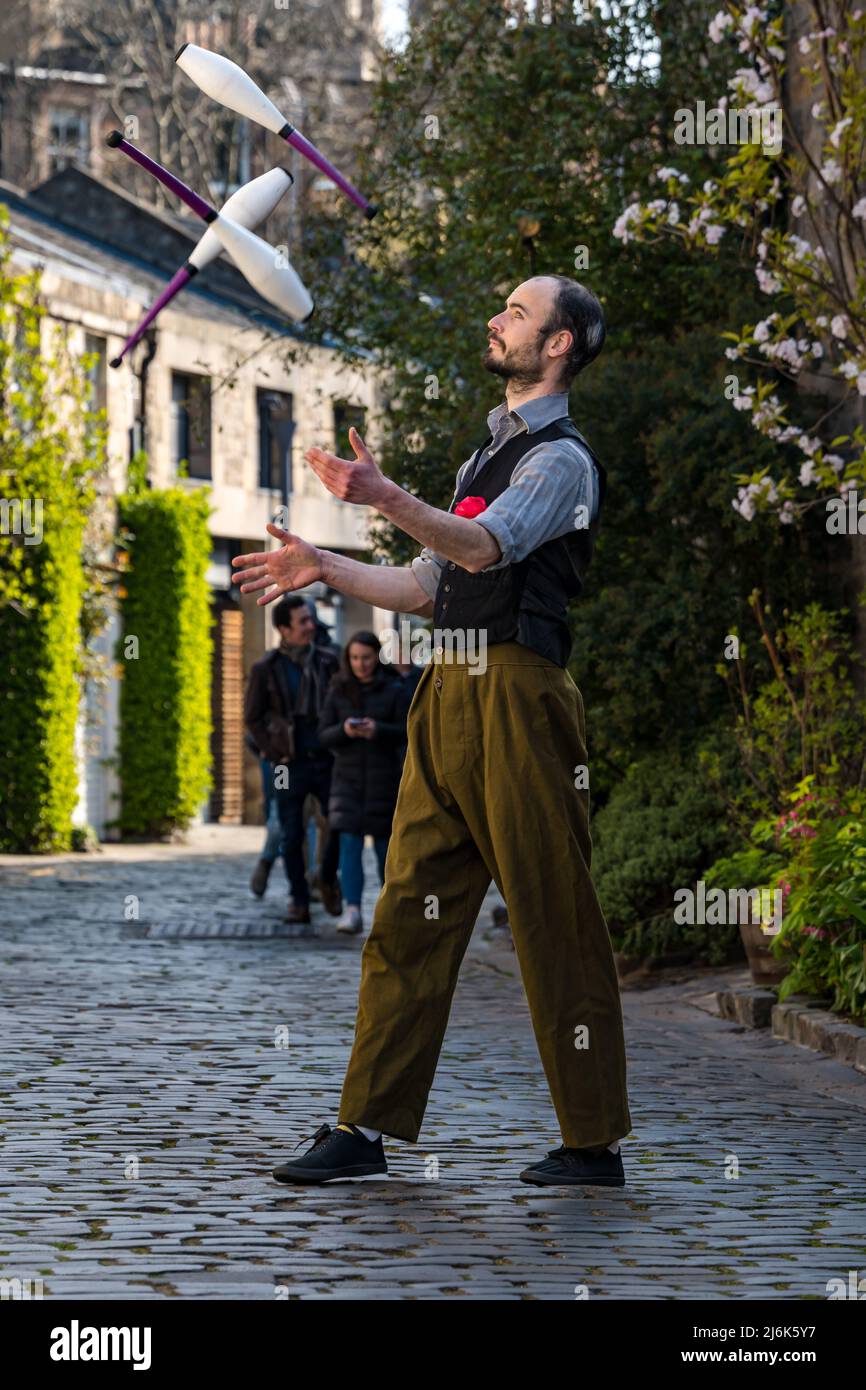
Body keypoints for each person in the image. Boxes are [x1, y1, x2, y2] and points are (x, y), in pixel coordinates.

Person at [233, 274, 632, 1187]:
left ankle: (591, 1143)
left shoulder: (560, 460)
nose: (497, 319)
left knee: (551, 914)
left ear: (561, 343)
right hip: (448, 691)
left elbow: (486, 549)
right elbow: (427, 583)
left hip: (518, 695)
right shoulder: (483, 457)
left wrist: (383, 495)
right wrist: (321, 564)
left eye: (519, 313)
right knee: (405, 909)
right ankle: (364, 1127)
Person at [244, 595, 343, 930]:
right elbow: (253, 719)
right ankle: (298, 899)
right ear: (284, 629)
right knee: (290, 832)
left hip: (326, 759)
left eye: (310, 619)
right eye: (302, 621)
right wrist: (274, 752)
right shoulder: (265, 668)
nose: (310, 626)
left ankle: (326, 879)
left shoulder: (330, 662)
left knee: (337, 825)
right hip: (287, 764)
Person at [318, 631, 410, 935]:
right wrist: (345, 730)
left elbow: (408, 731)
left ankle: (391, 912)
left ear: (376, 657)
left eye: (366, 658)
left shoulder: (395, 690)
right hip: (347, 780)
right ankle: (352, 909)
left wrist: (377, 730)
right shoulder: (338, 690)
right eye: (355, 658)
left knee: (387, 850)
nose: (361, 664)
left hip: (384, 780)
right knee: (349, 844)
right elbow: (322, 736)